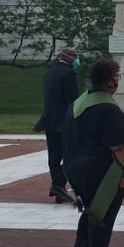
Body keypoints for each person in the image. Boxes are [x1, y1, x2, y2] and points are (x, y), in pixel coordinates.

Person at [62, 58, 124, 247]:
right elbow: (119, 147)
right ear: (111, 83)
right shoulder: (108, 109)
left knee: (90, 213)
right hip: (101, 173)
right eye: (117, 77)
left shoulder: (78, 103)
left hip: (75, 169)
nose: (118, 81)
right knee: (102, 219)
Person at [33, 47, 80, 204]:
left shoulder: (50, 72)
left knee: (54, 156)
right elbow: (72, 101)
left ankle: (58, 186)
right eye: (76, 57)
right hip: (64, 122)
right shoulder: (69, 73)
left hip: (50, 120)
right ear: (68, 58)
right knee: (70, 155)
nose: (77, 59)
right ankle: (58, 184)